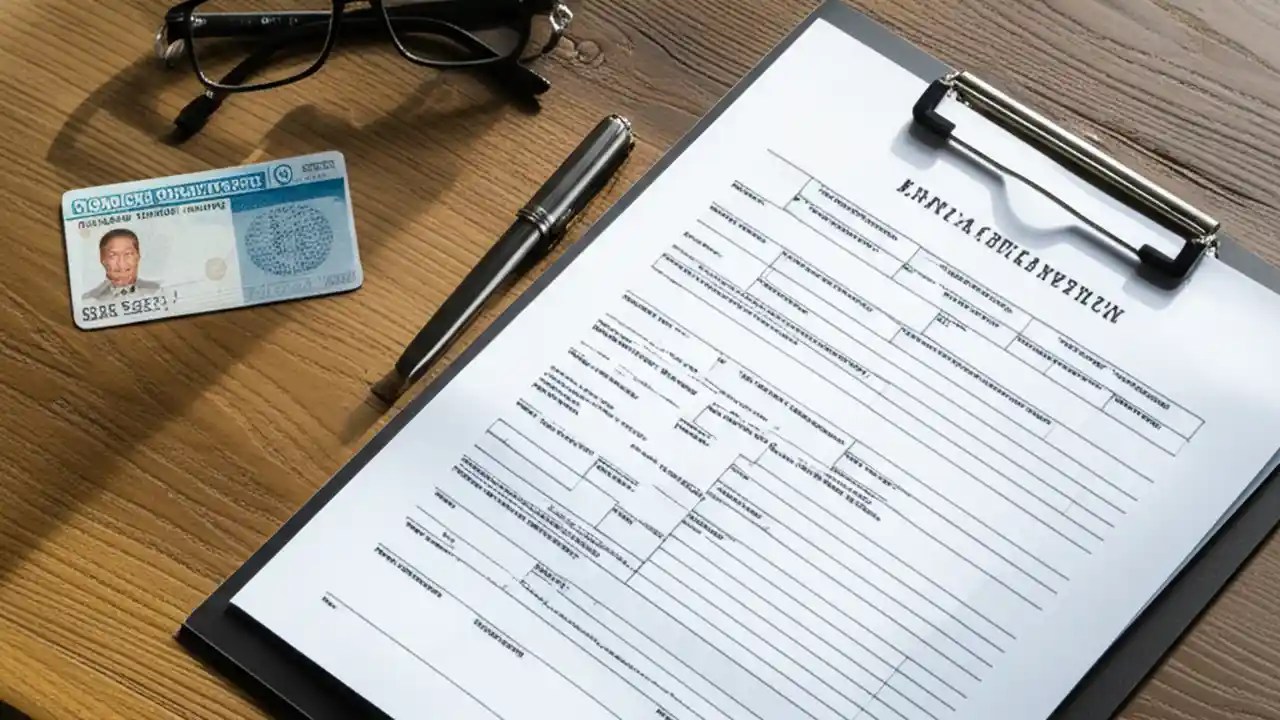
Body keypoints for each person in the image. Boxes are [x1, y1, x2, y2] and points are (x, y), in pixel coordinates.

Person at [81, 228, 161, 302]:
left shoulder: (157, 291)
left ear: (138, 256)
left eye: (128, 254)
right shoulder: (90, 299)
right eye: (113, 256)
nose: (121, 263)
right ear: (103, 259)